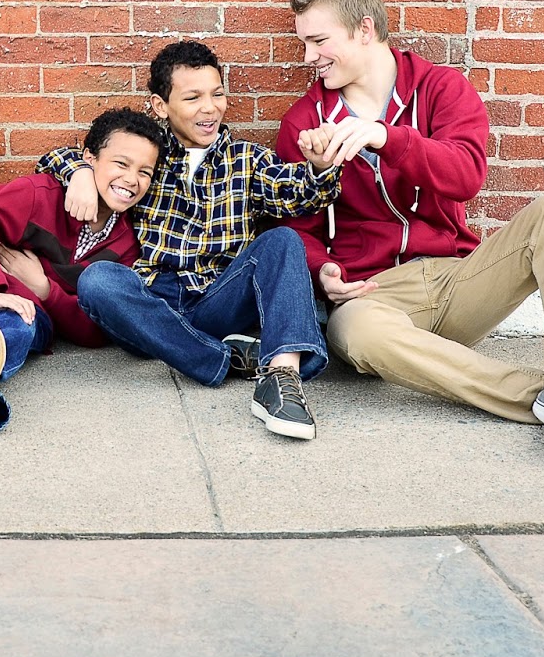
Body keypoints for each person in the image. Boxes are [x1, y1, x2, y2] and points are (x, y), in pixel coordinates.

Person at [276, 0, 544, 455]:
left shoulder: (441, 88)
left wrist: (387, 138)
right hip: (371, 294)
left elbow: (466, 173)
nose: (309, 57)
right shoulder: (305, 123)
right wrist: (321, 269)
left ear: (364, 29)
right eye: (304, 43)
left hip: (458, 278)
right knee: (358, 334)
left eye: (318, 40)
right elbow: (289, 226)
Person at [39, 41, 340, 440]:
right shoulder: (148, 154)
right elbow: (64, 158)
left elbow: (300, 195)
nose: (209, 107)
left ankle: (281, 378)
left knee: (283, 240)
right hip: (152, 305)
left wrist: (319, 168)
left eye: (217, 94)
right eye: (193, 97)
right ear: (161, 106)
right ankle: (225, 359)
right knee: (97, 281)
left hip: (220, 299)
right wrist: (78, 171)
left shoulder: (245, 160)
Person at [0, 107, 164, 442]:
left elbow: (95, 329)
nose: (132, 179)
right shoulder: (41, 195)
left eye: (145, 172)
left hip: (33, 305)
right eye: (121, 164)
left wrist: (45, 289)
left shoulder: (128, 248)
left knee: (18, 324)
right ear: (88, 159)